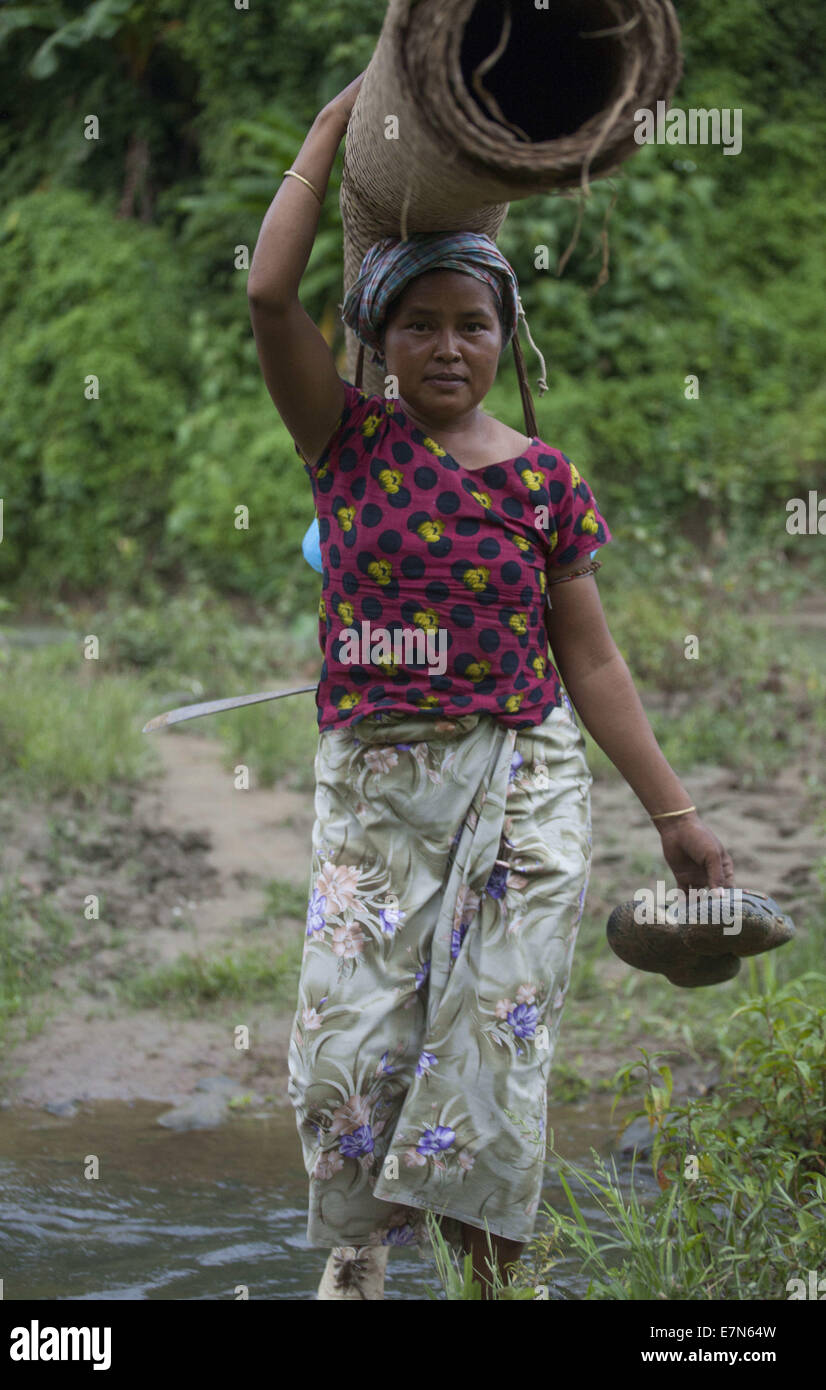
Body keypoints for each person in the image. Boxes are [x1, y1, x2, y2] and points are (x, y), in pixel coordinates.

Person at [247, 73, 734, 1301]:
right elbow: (265, 292)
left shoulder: (540, 482)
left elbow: (594, 659)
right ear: (379, 339)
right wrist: (326, 136)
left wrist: (673, 815)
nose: (448, 346)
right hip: (374, 789)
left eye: (472, 322)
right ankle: (359, 1252)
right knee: (342, 1057)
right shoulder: (344, 442)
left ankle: (494, 1290)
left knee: (493, 1058)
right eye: (419, 324)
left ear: (503, 332)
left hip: (521, 783)